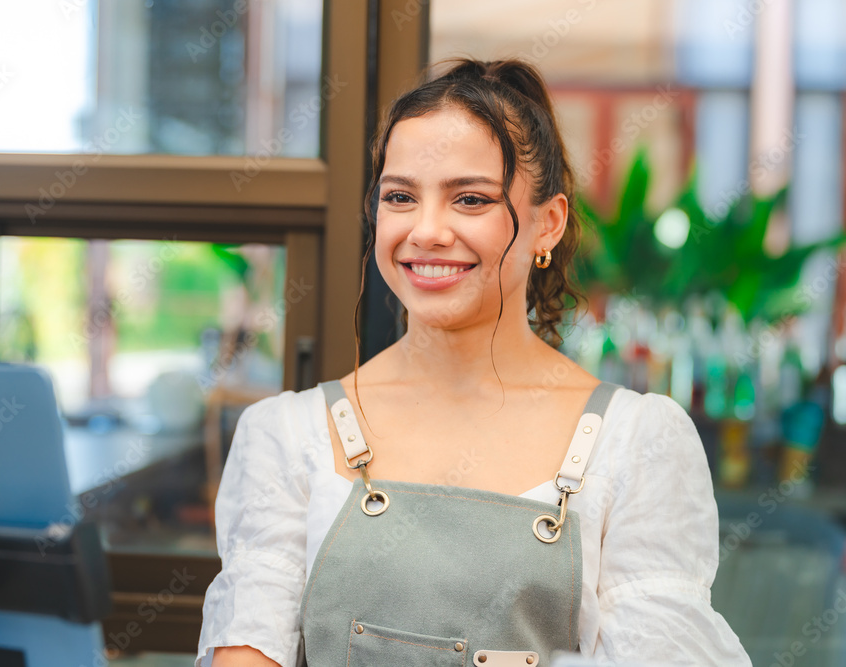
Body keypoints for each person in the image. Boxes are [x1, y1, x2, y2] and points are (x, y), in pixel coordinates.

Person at [197, 58, 750, 666]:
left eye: (470, 199)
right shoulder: (285, 435)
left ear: (548, 223)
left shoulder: (638, 442)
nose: (427, 231)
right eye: (400, 197)